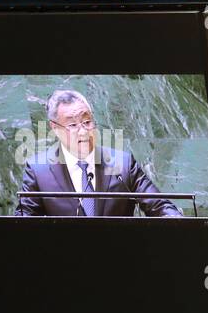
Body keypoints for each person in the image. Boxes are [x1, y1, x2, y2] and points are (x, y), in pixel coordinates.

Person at [14, 88, 183, 217]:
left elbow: (159, 205)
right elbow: (22, 222)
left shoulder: (122, 163)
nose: (83, 131)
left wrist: (177, 221)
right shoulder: (38, 170)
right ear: (55, 128)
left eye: (87, 122)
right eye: (72, 125)